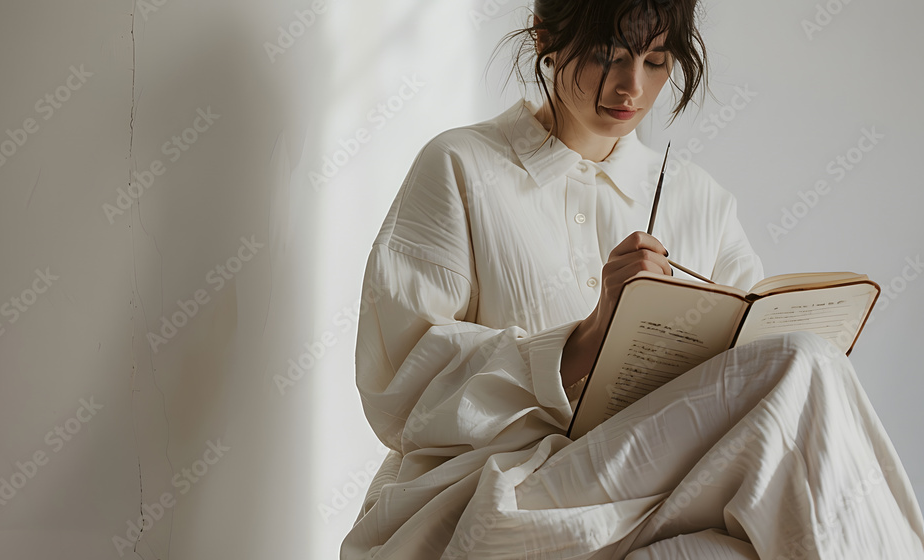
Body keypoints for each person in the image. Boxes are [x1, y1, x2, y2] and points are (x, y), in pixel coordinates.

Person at [341, 0, 924, 558]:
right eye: (607, 55)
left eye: (657, 61)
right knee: (805, 366)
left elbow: (762, 378)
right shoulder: (461, 166)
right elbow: (401, 389)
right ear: (545, 36)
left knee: (802, 389)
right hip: (502, 497)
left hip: (659, 502)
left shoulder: (699, 200)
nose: (632, 89)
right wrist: (587, 337)